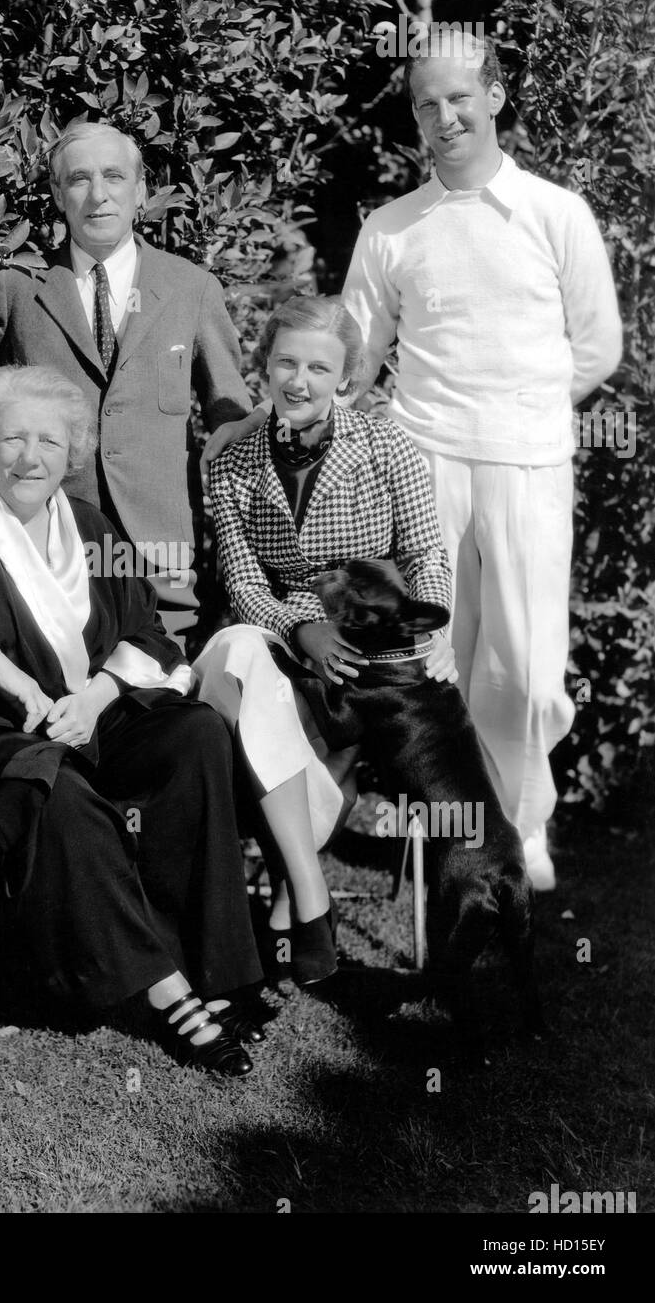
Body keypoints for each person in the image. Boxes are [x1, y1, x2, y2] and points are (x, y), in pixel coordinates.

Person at [204, 30, 623, 890]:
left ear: (495, 96)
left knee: (528, 669)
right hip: (423, 460)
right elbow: (352, 359)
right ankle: (462, 829)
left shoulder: (554, 214)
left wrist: (518, 415)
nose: (443, 115)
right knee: (435, 659)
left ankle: (522, 823)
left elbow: (597, 347)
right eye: (426, 103)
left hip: (524, 462)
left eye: (459, 96)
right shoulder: (392, 228)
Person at [0, 365, 266, 1074]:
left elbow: (146, 634)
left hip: (89, 712)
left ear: (72, 452)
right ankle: (168, 991)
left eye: (48, 441)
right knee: (54, 783)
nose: (29, 457)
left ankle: (217, 968)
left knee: (193, 734)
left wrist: (99, 695)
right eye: (12, 437)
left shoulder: (90, 526)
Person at [0, 122, 252, 648]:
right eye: (79, 179)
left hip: (158, 547)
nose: (98, 194)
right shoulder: (18, 287)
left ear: (141, 190)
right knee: (63, 683)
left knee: (162, 686)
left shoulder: (192, 289)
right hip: (50, 532)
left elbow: (231, 416)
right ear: (58, 194)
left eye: (114, 177)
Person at [194, 295, 457, 982]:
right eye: (284, 362)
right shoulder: (231, 460)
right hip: (285, 638)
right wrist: (299, 627)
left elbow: (427, 554)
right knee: (229, 653)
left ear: (344, 377)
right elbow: (243, 583)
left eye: (318, 367)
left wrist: (415, 629)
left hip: (375, 641)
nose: (298, 381)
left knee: (311, 730)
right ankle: (308, 891)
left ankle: (291, 888)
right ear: (263, 366)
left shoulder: (384, 443)